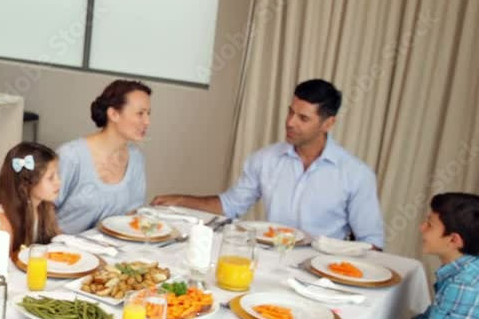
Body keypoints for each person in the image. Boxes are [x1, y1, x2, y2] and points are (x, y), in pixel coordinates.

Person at [153, 79, 385, 249]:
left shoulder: (356, 174)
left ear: (328, 123)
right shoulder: (265, 159)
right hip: (269, 262)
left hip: (321, 273)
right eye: (291, 112)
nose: (290, 123)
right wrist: (178, 200)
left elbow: (372, 243)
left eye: (303, 118)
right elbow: (231, 205)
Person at [54, 80, 151, 233]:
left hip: (110, 252)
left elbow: (131, 215)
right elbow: (42, 209)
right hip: (62, 251)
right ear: (113, 114)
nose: (147, 121)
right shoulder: (71, 155)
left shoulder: (136, 158)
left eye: (148, 114)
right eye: (140, 113)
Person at [0, 142, 62, 253]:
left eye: (58, 174)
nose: (58, 182)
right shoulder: (1, 221)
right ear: (27, 183)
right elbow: (0, 265)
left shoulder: (42, 207)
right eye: (50, 177)